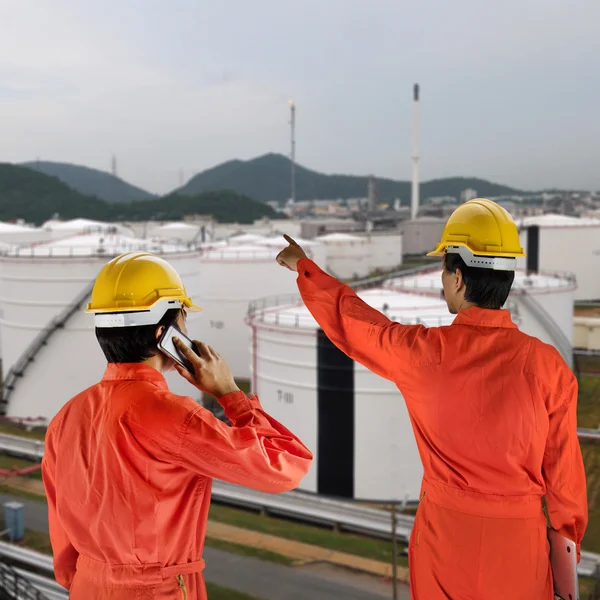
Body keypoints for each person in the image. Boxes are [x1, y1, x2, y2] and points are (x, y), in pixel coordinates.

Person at [276, 199, 588, 600]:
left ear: (458, 278)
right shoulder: (549, 368)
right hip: (519, 547)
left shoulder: (423, 353)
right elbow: (565, 483)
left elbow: (355, 325)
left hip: (445, 541)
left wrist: (305, 267)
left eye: (444, 270)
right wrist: (566, 552)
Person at [42, 251, 313, 600]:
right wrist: (230, 394)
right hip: (154, 591)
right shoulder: (171, 415)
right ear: (163, 334)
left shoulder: (67, 416)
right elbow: (284, 468)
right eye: (182, 322)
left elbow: (63, 545)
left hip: (86, 587)